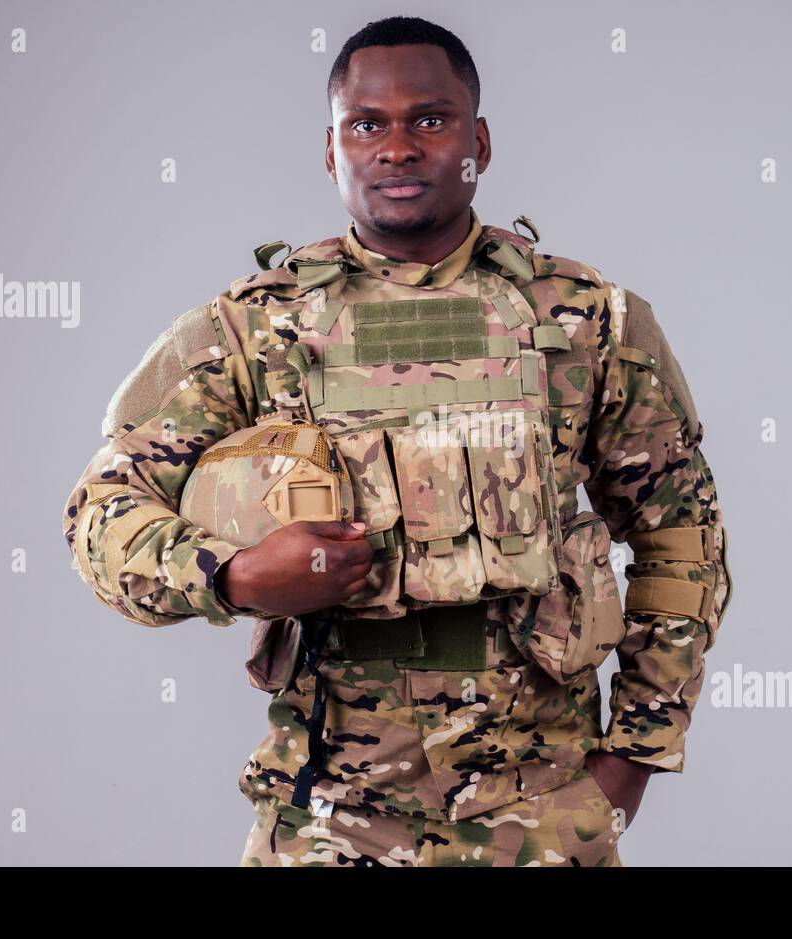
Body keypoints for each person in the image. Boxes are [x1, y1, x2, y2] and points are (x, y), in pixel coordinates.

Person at [61, 15, 732, 867]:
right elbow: (99, 515)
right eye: (366, 125)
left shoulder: (584, 318)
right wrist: (229, 576)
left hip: (540, 799)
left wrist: (633, 756)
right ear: (331, 149)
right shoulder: (252, 329)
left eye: (430, 118)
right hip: (325, 807)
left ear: (478, 139)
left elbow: (682, 536)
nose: (398, 147)